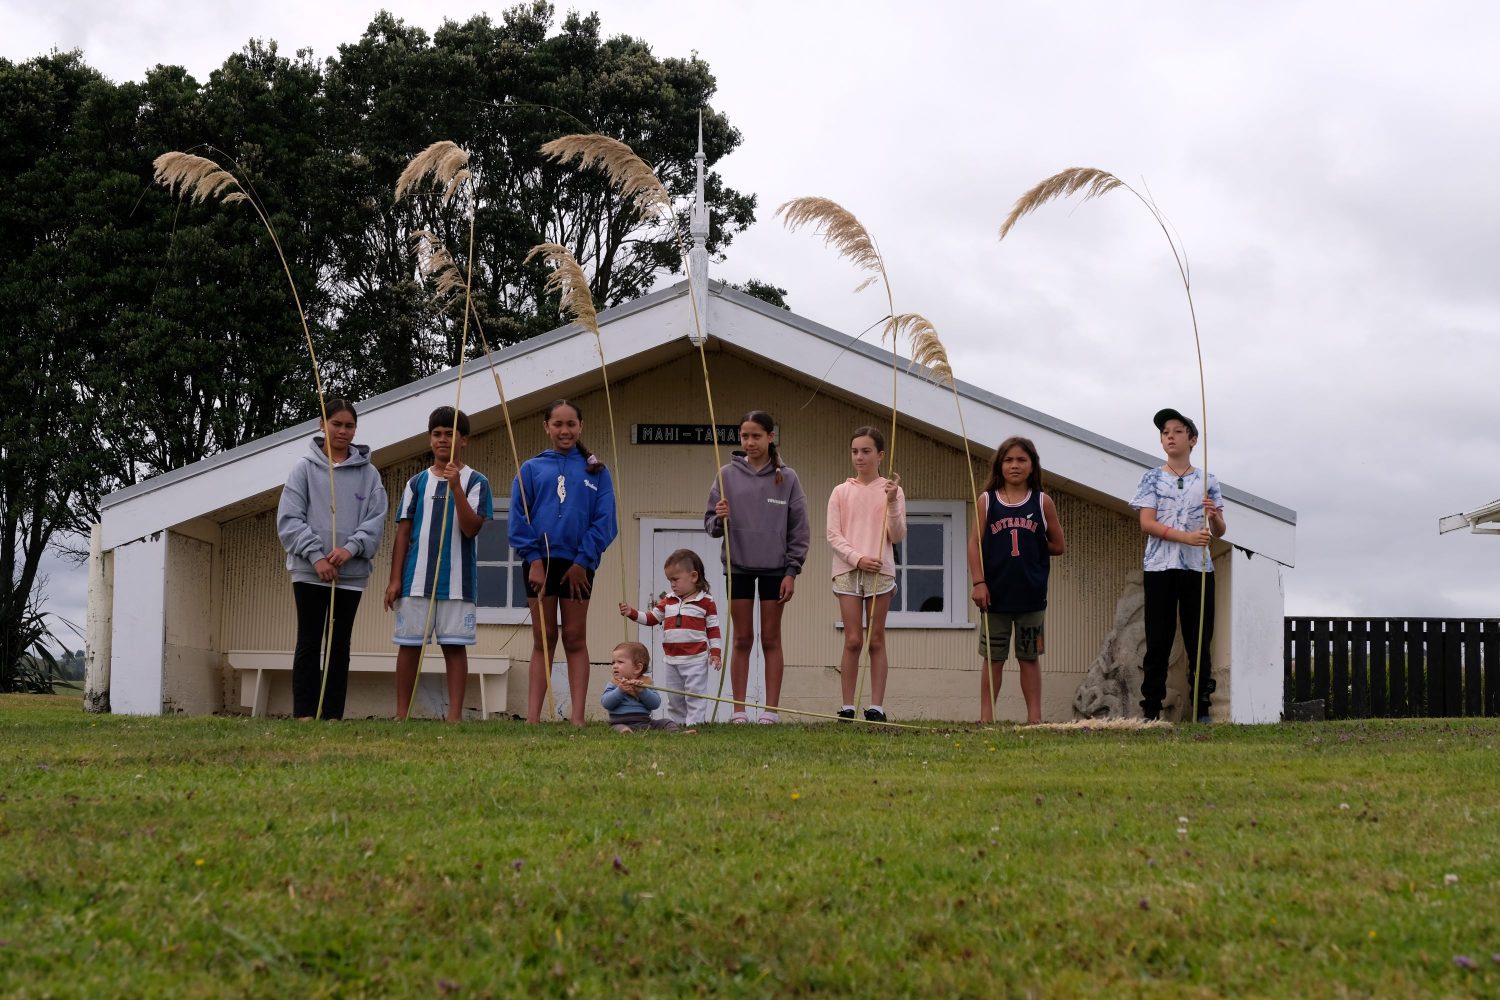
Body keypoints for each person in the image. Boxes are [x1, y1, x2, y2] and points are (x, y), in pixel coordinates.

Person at [276, 399, 388, 720]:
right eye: (336, 424)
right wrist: (316, 557)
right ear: (321, 424)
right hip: (309, 572)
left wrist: (350, 549)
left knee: (339, 644)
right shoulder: (303, 469)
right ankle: (304, 714)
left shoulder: (369, 474)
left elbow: (375, 519)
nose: (342, 431)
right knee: (309, 641)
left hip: (351, 575)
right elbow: (289, 519)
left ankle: (332, 715)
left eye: (349, 425)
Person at [509, 399, 617, 726]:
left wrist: (583, 560)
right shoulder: (531, 469)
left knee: (574, 636)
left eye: (571, 424)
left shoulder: (597, 471)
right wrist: (533, 559)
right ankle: (532, 718)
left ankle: (578, 718)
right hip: (539, 563)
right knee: (543, 638)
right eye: (558, 424)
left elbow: (605, 521)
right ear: (547, 427)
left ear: (580, 426)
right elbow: (517, 519)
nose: (565, 430)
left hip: (578, 566)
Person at [384, 406, 492, 722]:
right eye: (437, 434)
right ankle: (401, 715)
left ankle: (455, 717)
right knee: (409, 647)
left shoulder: (476, 481)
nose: (443, 439)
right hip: (415, 580)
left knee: (455, 648)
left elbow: (471, 528)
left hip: (457, 583)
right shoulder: (416, 483)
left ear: (464, 440)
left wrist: (455, 486)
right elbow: (403, 533)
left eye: (449, 433)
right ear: (430, 439)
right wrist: (394, 580)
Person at [706, 410, 810, 724]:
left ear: (770, 437)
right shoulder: (726, 474)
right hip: (738, 566)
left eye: (756, 436)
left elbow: (799, 529)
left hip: (775, 569)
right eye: (745, 436)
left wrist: (792, 571)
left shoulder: (788, 477)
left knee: (770, 638)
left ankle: (770, 711)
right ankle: (738, 711)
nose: (750, 442)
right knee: (741, 638)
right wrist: (719, 518)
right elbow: (710, 525)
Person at [1130, 407, 1226, 723]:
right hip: (1159, 567)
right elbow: (1147, 523)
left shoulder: (1208, 479)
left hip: (1199, 569)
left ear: (1192, 439)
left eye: (1177, 431)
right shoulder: (1151, 478)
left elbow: (1220, 530)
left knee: (1199, 639)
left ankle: (1202, 708)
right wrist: (1185, 537)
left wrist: (1214, 516)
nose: (1170, 437)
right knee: (1158, 639)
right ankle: (1151, 710)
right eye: (1165, 432)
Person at [968, 436, 1065, 724]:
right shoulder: (987, 501)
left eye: (1022, 460)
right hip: (994, 596)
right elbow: (974, 543)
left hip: (1031, 596)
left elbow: (1058, 545)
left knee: (1029, 657)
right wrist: (978, 582)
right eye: (1008, 460)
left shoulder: (1042, 502)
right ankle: (987, 719)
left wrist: (1031, 542)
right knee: (993, 658)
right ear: (999, 465)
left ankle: (1034, 719)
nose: (1015, 465)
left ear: (1032, 465)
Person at [826, 426, 906, 722]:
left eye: (866, 451)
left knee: (876, 639)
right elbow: (833, 534)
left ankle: (876, 707)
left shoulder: (892, 490)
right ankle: (847, 706)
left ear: (880, 455)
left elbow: (897, 535)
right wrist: (857, 558)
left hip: (880, 572)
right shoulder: (840, 491)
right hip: (848, 570)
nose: (859, 457)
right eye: (855, 451)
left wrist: (893, 501)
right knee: (853, 639)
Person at [619, 549, 722, 726]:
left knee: (694, 695)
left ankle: (694, 724)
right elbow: (651, 618)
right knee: (674, 697)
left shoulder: (706, 601)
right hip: (672, 660)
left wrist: (716, 652)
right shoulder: (668, 600)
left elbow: (713, 629)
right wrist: (632, 613)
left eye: (675, 579)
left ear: (694, 576)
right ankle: (677, 724)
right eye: (670, 581)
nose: (672, 585)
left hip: (695, 660)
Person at [600, 641, 678, 732]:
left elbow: (655, 704)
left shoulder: (645, 683)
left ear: (637, 668)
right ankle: (625, 731)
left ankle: (676, 732)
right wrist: (620, 691)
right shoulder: (614, 683)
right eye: (613, 662)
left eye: (620, 662)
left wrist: (642, 691)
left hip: (644, 722)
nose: (614, 666)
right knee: (617, 728)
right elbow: (606, 703)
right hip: (620, 722)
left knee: (666, 722)